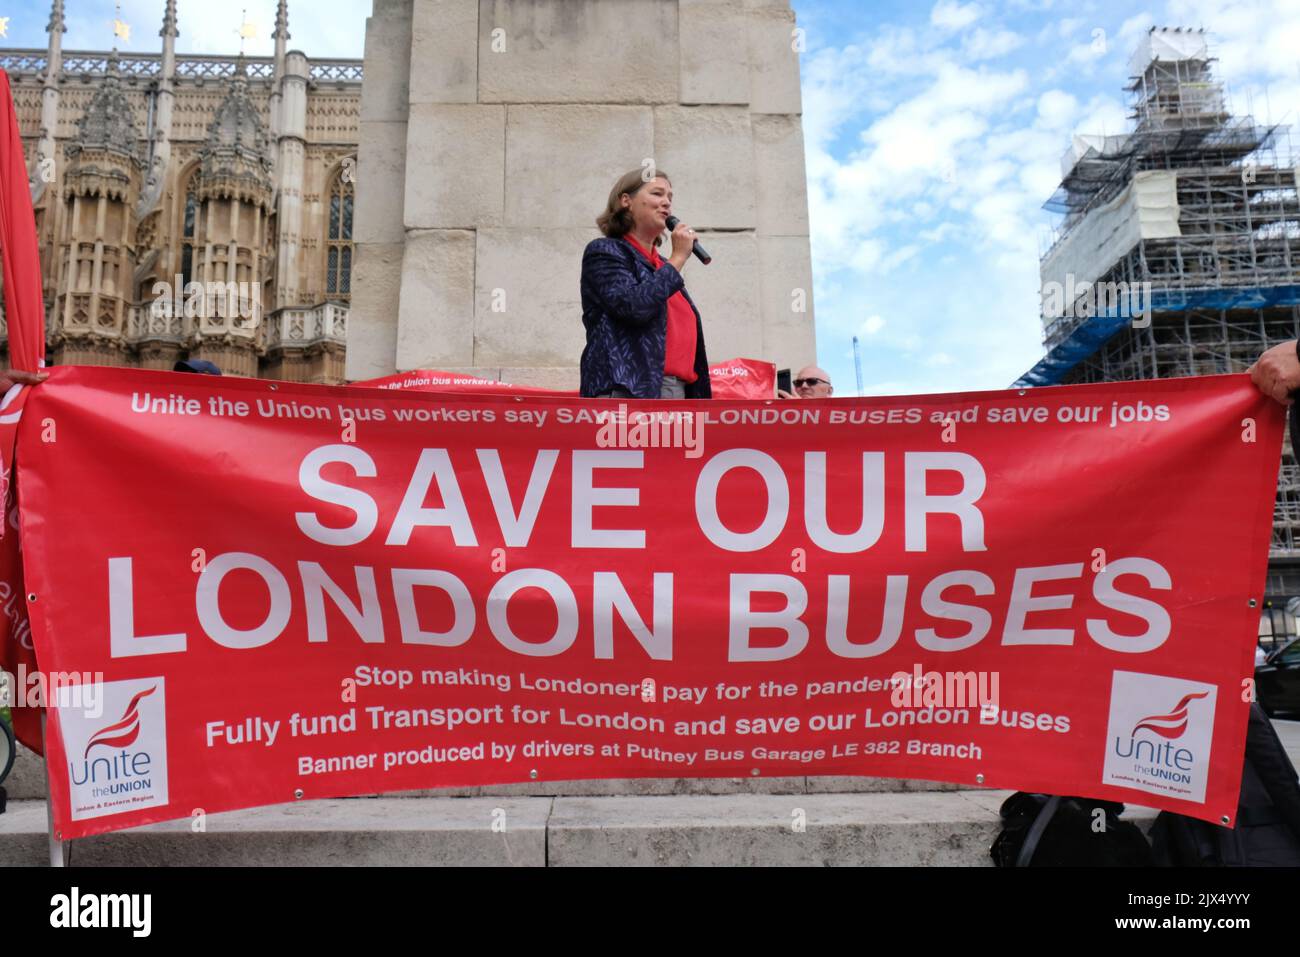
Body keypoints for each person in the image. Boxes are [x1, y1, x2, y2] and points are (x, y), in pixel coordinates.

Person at [579, 169, 711, 399]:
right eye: (657, 193)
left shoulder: (661, 265)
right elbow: (633, 307)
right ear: (626, 201)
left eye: (670, 197)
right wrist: (678, 258)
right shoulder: (605, 251)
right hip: (629, 388)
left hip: (675, 389)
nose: (666, 203)